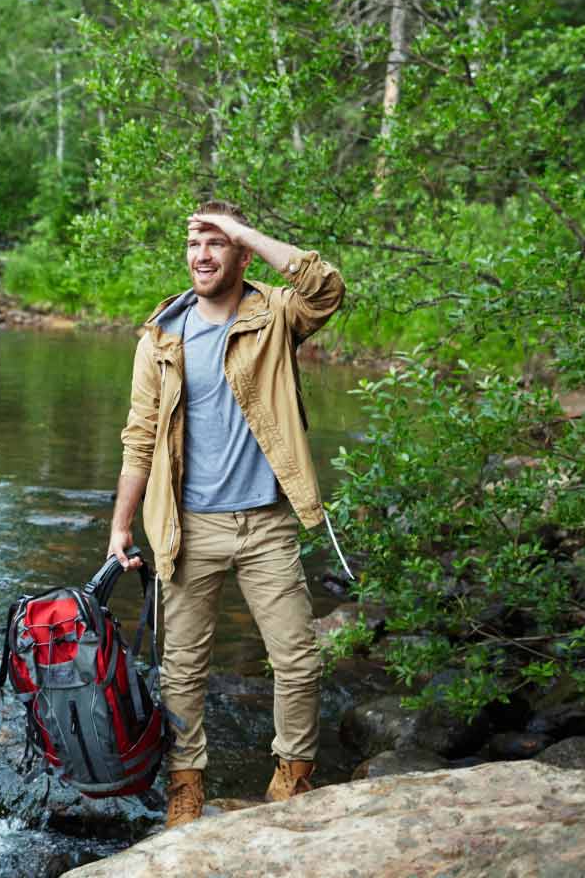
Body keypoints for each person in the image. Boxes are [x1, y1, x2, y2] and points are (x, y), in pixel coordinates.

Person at [106, 200, 345, 827]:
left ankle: (293, 774)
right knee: (182, 668)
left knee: (297, 657)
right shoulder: (160, 336)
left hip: (266, 523)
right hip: (187, 527)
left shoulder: (274, 316)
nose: (202, 254)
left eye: (216, 242)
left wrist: (244, 230)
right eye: (194, 242)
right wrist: (120, 525)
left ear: (241, 252)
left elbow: (326, 287)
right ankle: (187, 785)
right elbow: (139, 435)